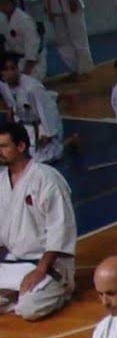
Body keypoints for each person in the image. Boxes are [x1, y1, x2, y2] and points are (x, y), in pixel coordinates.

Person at [0, 121, 74, 320]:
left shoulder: (47, 179)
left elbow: (60, 229)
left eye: (4, 146)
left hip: (49, 264)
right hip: (15, 263)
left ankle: (60, 291)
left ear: (21, 146)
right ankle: (17, 293)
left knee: (29, 309)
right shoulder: (1, 182)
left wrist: (40, 270)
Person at [0, 51, 63, 164]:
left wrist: (48, 134)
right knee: (10, 156)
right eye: (7, 69)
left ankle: (70, 142)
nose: (12, 72)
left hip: (41, 125)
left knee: (37, 161)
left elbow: (48, 110)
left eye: (13, 68)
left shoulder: (32, 88)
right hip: (23, 125)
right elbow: (11, 105)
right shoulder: (3, 85)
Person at [0, 0, 41, 77]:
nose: (3, 7)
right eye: (0, 4)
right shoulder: (3, 20)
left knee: (26, 87)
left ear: (13, 2)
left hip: (32, 64)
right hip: (14, 61)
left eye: (5, 3)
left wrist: (25, 75)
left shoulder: (25, 20)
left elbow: (32, 53)